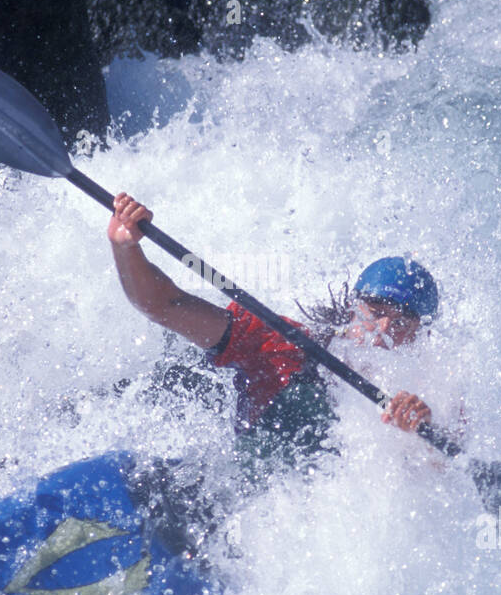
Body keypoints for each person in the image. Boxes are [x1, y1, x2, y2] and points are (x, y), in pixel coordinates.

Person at [108, 193, 440, 473]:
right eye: (376, 312)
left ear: (420, 338)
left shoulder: (428, 398)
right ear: (353, 309)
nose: (382, 331)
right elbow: (163, 305)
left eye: (399, 324)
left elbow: (443, 480)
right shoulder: (283, 345)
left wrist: (419, 436)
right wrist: (125, 248)